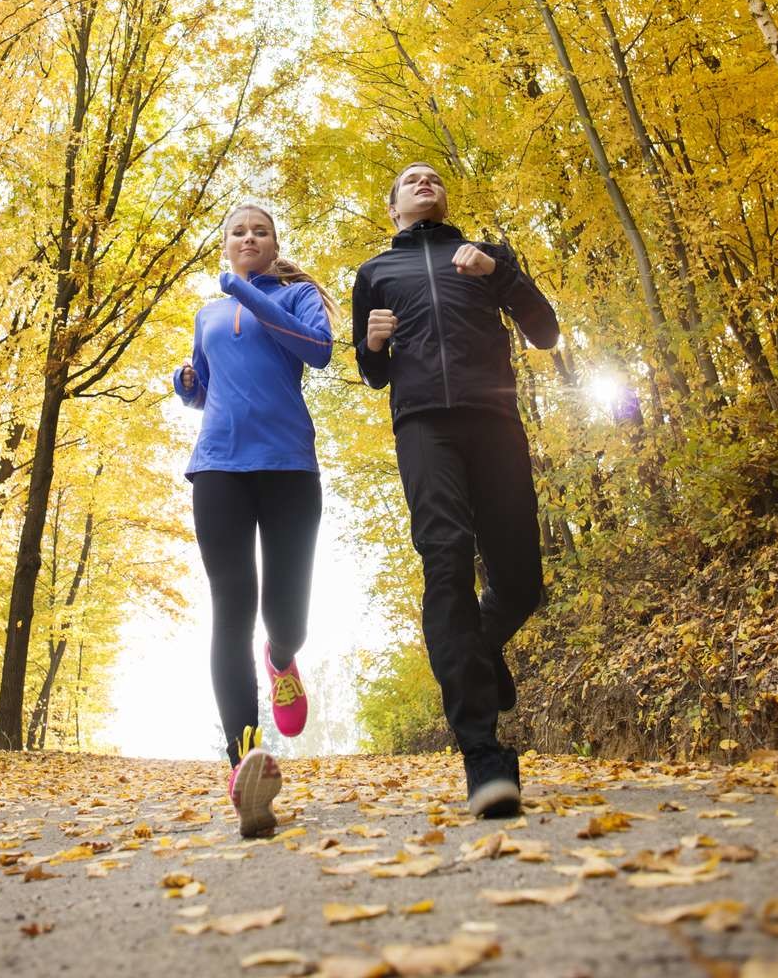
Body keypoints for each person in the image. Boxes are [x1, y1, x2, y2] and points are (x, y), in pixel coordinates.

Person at [351, 163, 559, 819]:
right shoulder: (374, 274)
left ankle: (477, 645)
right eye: (410, 180)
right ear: (394, 210)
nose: (424, 181)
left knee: (522, 582)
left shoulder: (486, 256)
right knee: (444, 560)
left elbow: (546, 332)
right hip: (423, 429)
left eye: (433, 176)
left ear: (443, 199)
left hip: (495, 420)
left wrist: (499, 275)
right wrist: (373, 345)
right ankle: (483, 757)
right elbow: (372, 373)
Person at [175, 203, 335, 837]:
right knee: (230, 606)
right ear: (225, 244)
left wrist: (245, 290)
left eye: (260, 231)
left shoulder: (298, 297)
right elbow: (206, 387)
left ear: (273, 244)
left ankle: (283, 655)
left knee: (284, 613)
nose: (249, 238)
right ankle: (245, 765)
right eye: (238, 232)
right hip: (218, 467)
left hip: (289, 463)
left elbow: (317, 352)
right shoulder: (208, 312)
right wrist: (187, 383)